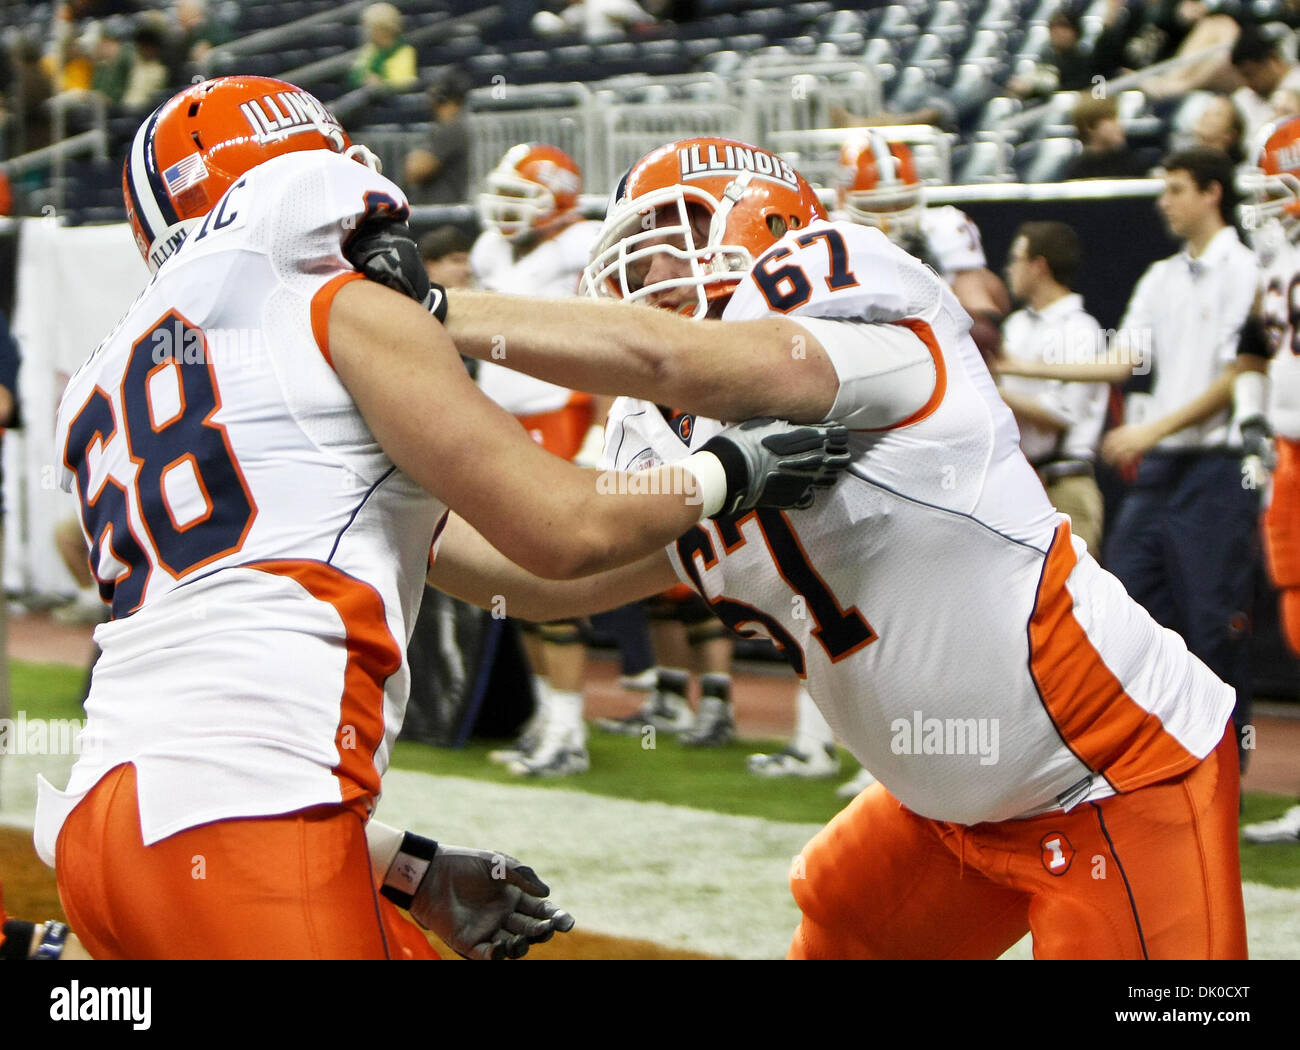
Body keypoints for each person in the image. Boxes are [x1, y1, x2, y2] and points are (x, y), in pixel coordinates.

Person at [38, 79, 846, 959]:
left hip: (108, 831)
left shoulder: (117, 366)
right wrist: (733, 473)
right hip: (249, 819)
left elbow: (518, 579)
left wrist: (713, 554)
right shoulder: (338, 312)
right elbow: (560, 527)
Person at [426, 134, 1248, 959]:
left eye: (669, 242)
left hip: (1112, 769)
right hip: (940, 808)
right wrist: (383, 517)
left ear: (764, 223)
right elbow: (547, 572)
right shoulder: (668, 428)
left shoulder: (853, 297)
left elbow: (694, 361)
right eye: (637, 262)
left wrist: (428, 310)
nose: (646, 281)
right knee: (841, 931)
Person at [999, 147, 1260, 768]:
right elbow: (1124, 362)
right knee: (1127, 607)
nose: (1164, 201)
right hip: (1163, 467)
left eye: (1175, 189)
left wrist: (1152, 430)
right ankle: (1152, 757)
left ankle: (1226, 764)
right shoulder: (1160, 277)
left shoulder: (1245, 270)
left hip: (1217, 462)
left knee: (1212, 617)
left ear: (1211, 193)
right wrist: (1014, 366)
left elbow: (1239, 375)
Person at [471, 143, 607, 776]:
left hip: (560, 410)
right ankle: (548, 716)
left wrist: (601, 421)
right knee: (512, 577)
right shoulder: (490, 250)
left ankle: (571, 729)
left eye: (522, 197)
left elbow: (609, 338)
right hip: (504, 415)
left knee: (554, 580)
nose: (506, 211)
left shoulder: (584, 244)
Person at [1232, 116, 1300, 844]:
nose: (1272, 202)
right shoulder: (1280, 264)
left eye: (1282, 185)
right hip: (1289, 455)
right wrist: (1253, 418)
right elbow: (1253, 349)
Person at [998, 221, 1108, 555]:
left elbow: (1062, 412)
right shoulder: (1015, 325)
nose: (1009, 269)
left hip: (1065, 485)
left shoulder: (1079, 328)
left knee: (1074, 593)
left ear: (1039, 266)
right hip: (1018, 483)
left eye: (1016, 259)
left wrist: (993, 391)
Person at [402, 70, 470, 206]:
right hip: (439, 211)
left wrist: (413, 158)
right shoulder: (449, 125)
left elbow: (415, 171)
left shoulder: (452, 127)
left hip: (443, 217)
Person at [1062, 96, 1154, 180]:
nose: (1118, 126)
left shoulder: (1135, 163)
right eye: (1111, 120)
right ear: (1090, 126)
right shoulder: (1076, 170)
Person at [349, 3, 418, 90]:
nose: (368, 32)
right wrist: (365, 78)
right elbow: (355, 74)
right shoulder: (371, 49)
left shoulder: (405, 51)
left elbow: (403, 84)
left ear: (385, 29)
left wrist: (380, 83)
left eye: (372, 28)